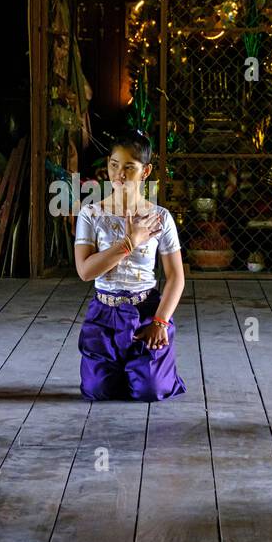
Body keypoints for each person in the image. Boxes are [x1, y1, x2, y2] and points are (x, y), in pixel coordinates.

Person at [74, 130, 186, 401]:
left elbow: (175, 278)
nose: (119, 174)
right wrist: (130, 242)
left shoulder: (160, 217)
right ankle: (124, 369)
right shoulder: (91, 214)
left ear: (145, 171)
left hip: (146, 311)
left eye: (129, 167)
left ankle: (147, 368)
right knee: (99, 391)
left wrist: (160, 321)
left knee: (151, 390)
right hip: (104, 314)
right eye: (114, 165)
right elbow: (86, 271)